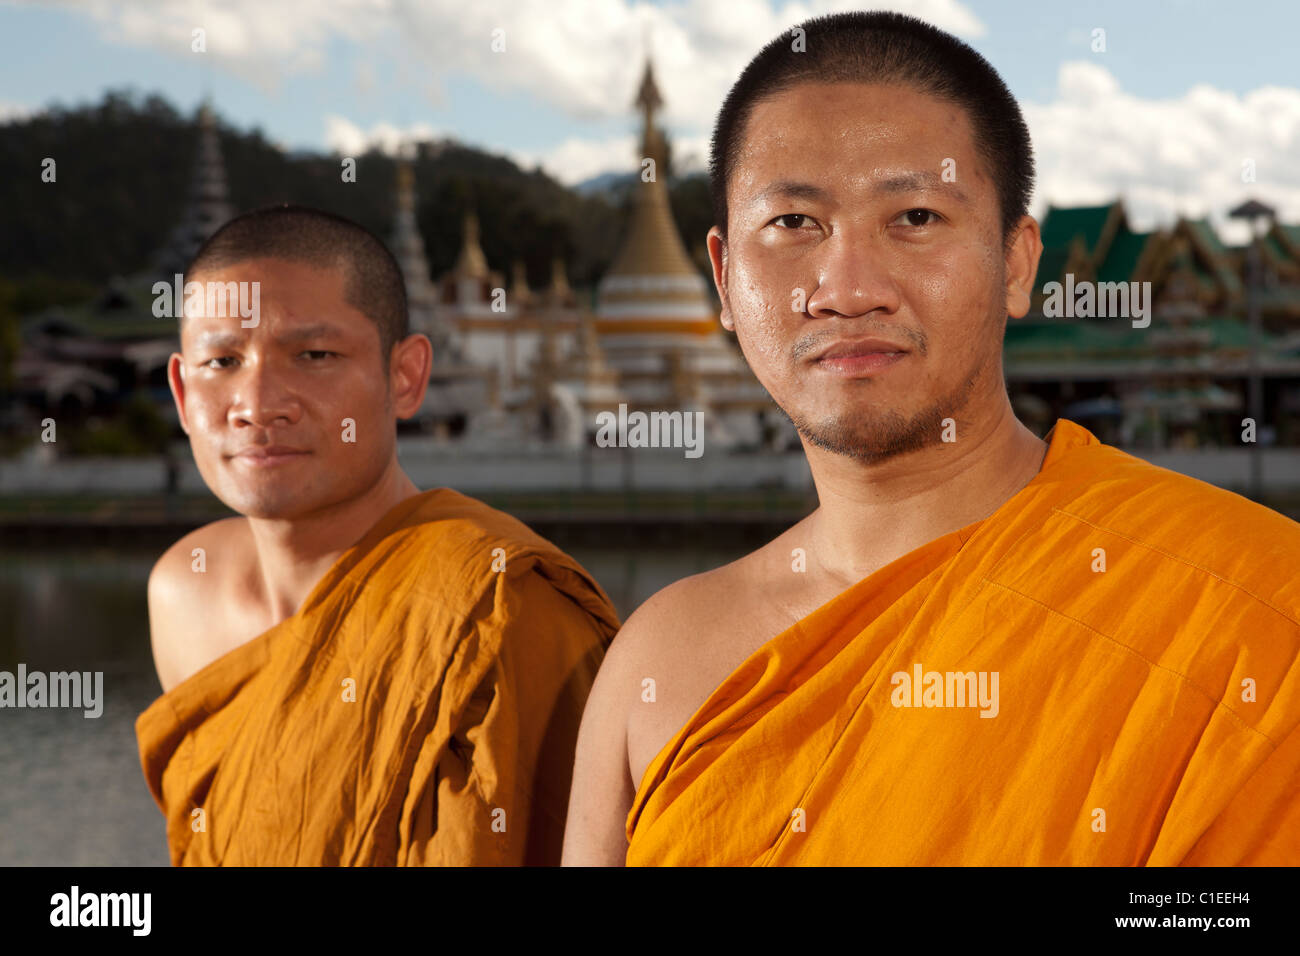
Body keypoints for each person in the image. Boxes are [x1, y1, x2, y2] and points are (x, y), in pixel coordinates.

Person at [563, 11, 1300, 865]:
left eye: (914, 215)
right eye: (795, 223)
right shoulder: (658, 660)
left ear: (1019, 266)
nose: (846, 289)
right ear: (724, 280)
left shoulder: (1248, 605)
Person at [138, 204, 619, 865]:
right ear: (184, 395)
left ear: (406, 377)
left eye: (313, 354)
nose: (258, 403)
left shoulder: (502, 610)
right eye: (222, 361)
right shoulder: (182, 589)